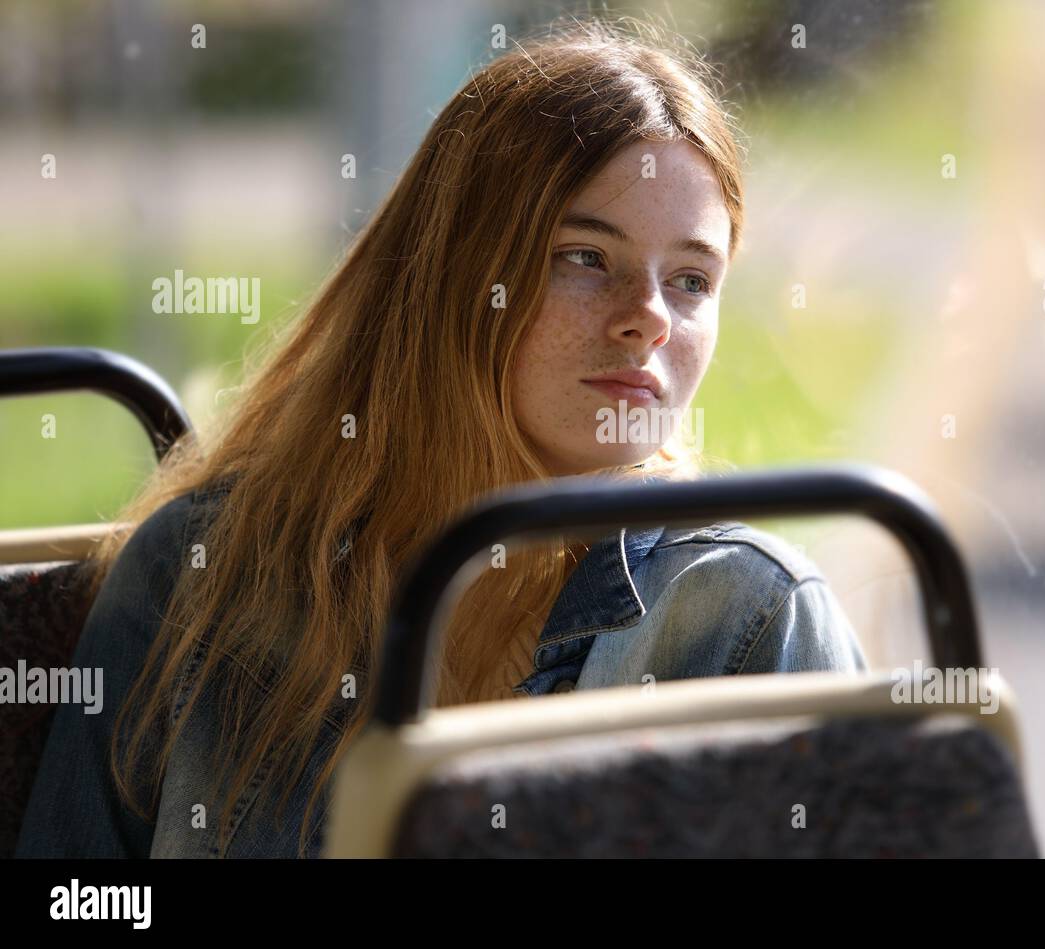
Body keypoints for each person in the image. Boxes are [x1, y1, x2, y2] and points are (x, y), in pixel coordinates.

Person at [16, 16, 867, 860]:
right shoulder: (200, 572)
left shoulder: (750, 621)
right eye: (584, 256)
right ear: (459, 270)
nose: (648, 318)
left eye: (691, 279)